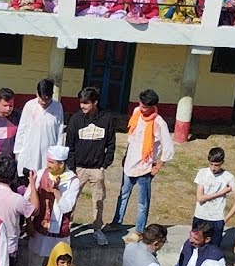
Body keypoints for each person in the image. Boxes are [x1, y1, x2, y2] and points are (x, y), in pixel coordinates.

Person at [109, 89, 173, 238]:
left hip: (145, 166)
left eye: (145, 107)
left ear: (153, 107)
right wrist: (125, 155)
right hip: (130, 163)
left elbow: (168, 147)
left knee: (142, 202)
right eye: (141, 104)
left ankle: (139, 229)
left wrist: (158, 166)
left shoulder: (159, 123)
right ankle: (117, 222)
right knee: (123, 195)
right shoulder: (137, 112)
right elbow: (132, 138)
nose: (142, 108)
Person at [21, 145, 79, 266]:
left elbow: (67, 207)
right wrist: (29, 223)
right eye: (48, 161)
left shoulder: (72, 181)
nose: (48, 165)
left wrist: (56, 191)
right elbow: (26, 199)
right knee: (35, 262)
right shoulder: (41, 174)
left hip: (59, 230)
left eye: (52, 163)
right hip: (40, 227)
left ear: (61, 164)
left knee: (59, 264)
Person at [65, 86, 117, 245]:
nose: (82, 106)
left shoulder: (107, 119)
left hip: (97, 169)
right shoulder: (76, 119)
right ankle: (66, 230)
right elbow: (70, 145)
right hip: (78, 169)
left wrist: (104, 165)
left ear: (95, 102)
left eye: (86, 103)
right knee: (70, 200)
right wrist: (72, 168)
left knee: (98, 201)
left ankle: (97, 229)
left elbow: (111, 143)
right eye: (81, 103)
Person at [0, 155, 37, 266]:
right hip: (8, 249)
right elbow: (35, 210)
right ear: (13, 176)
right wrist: (32, 183)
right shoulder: (17, 199)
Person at [191, 147, 235, 249]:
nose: (213, 168)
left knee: (214, 248)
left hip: (216, 218)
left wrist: (224, 220)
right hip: (200, 216)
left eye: (216, 165)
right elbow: (200, 198)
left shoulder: (228, 177)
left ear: (222, 162)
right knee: (195, 246)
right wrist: (221, 193)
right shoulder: (202, 173)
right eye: (211, 164)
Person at [13, 79, 64, 176]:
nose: (44, 102)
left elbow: (60, 131)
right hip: (29, 149)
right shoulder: (29, 106)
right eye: (41, 99)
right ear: (36, 93)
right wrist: (18, 151)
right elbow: (22, 129)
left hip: (49, 150)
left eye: (47, 99)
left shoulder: (58, 107)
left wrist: (58, 153)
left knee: (45, 178)